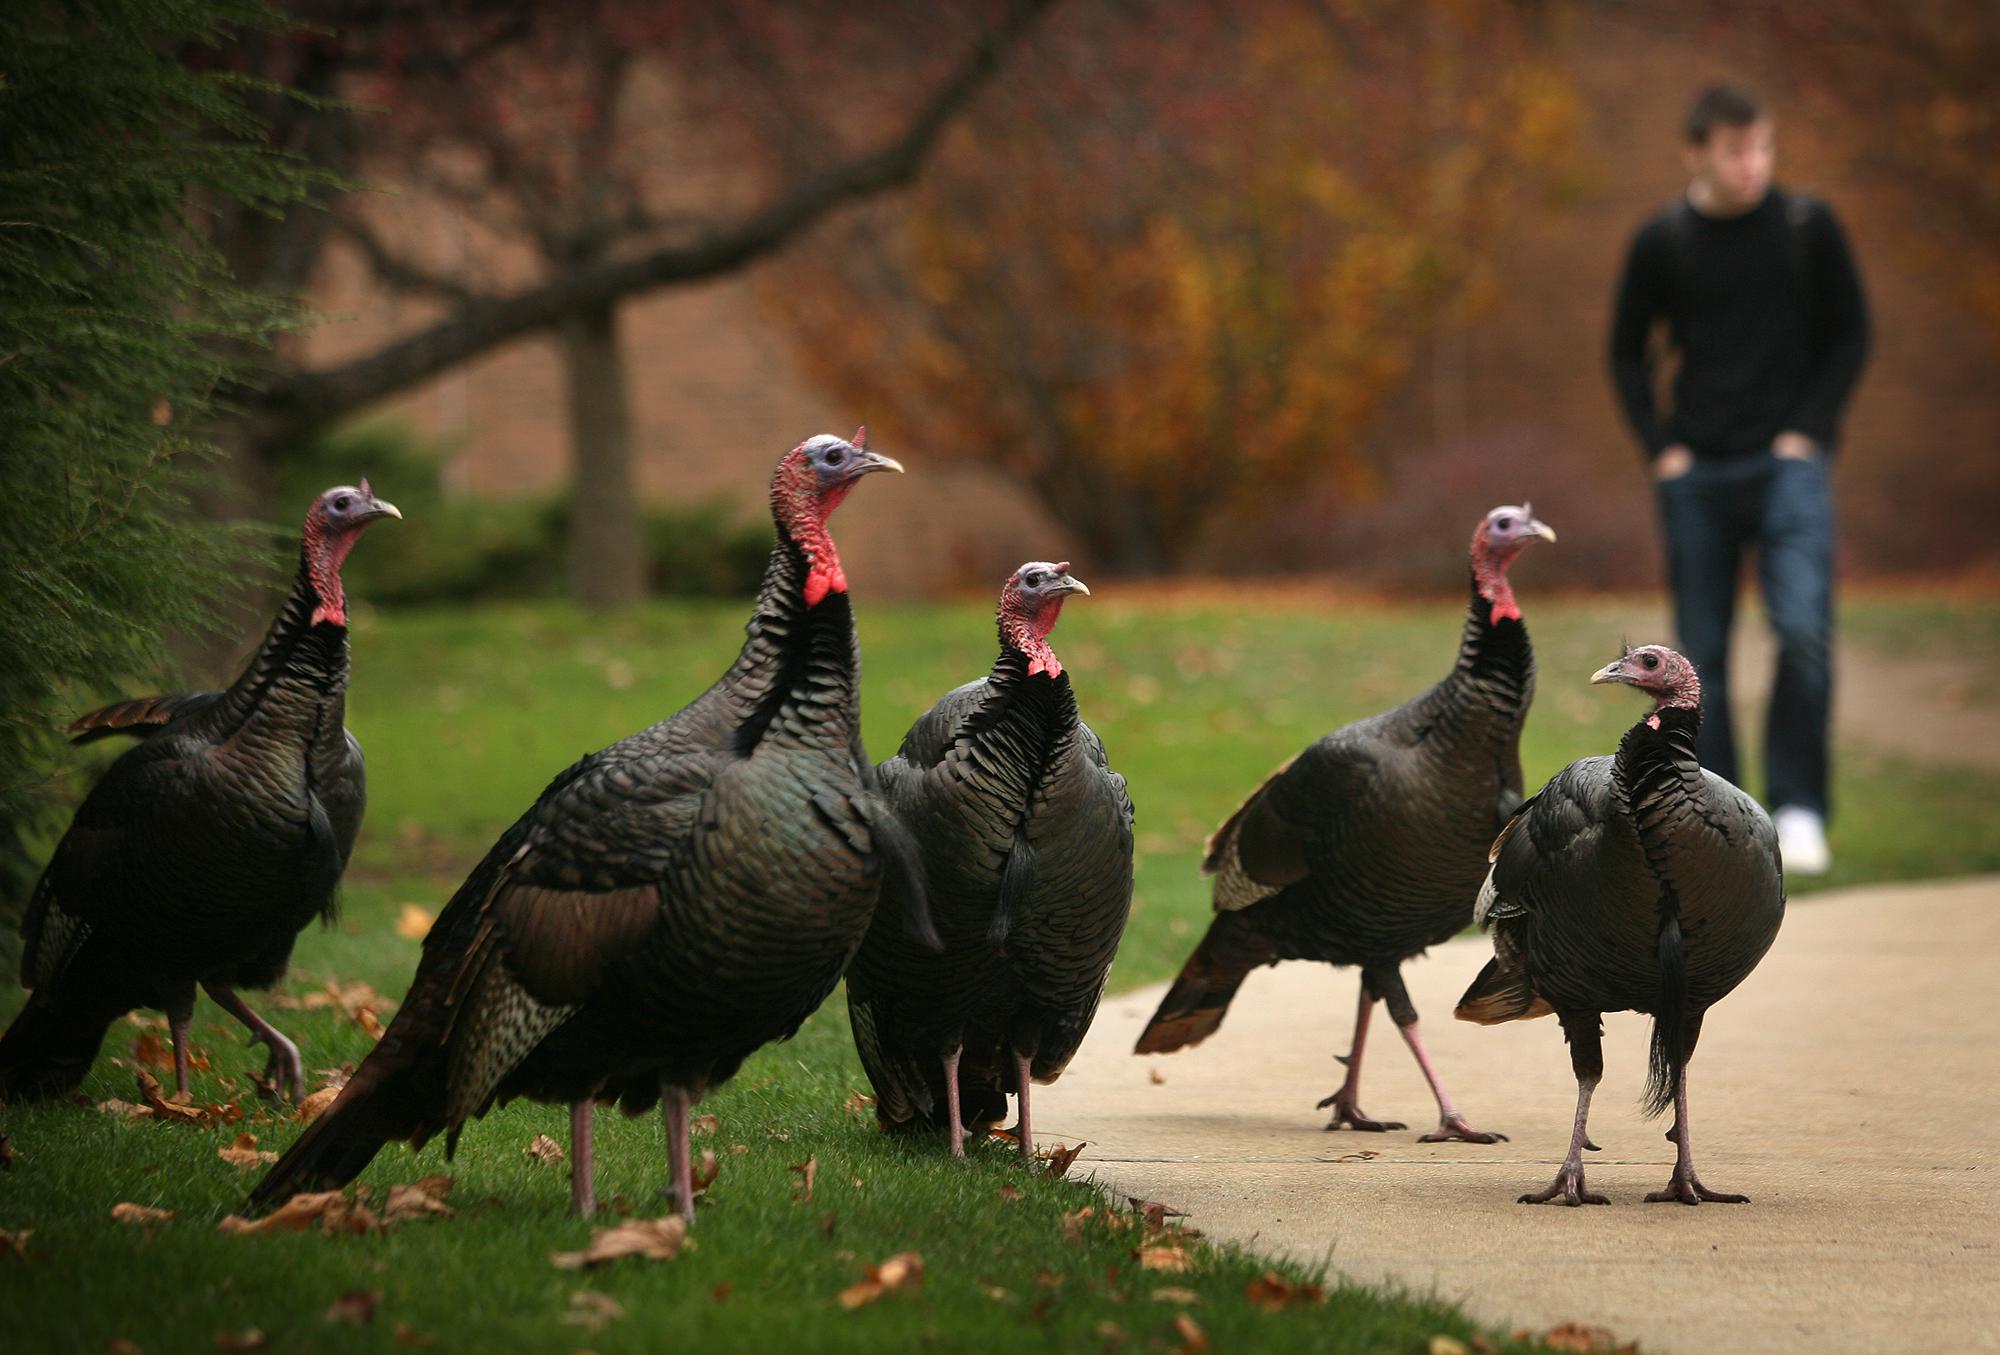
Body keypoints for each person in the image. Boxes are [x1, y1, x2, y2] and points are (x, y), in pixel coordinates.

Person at [1608, 83, 1869, 875]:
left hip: (1788, 466)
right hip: (1699, 471)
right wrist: (1661, 448)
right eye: (1735, 150)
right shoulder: (1663, 241)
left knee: (1802, 632)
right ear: (1697, 153)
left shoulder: (1807, 228)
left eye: (1762, 147)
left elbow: (1851, 333)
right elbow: (1625, 351)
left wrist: (1809, 432)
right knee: (1702, 656)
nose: (1752, 164)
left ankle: (1798, 809)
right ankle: (1720, 814)